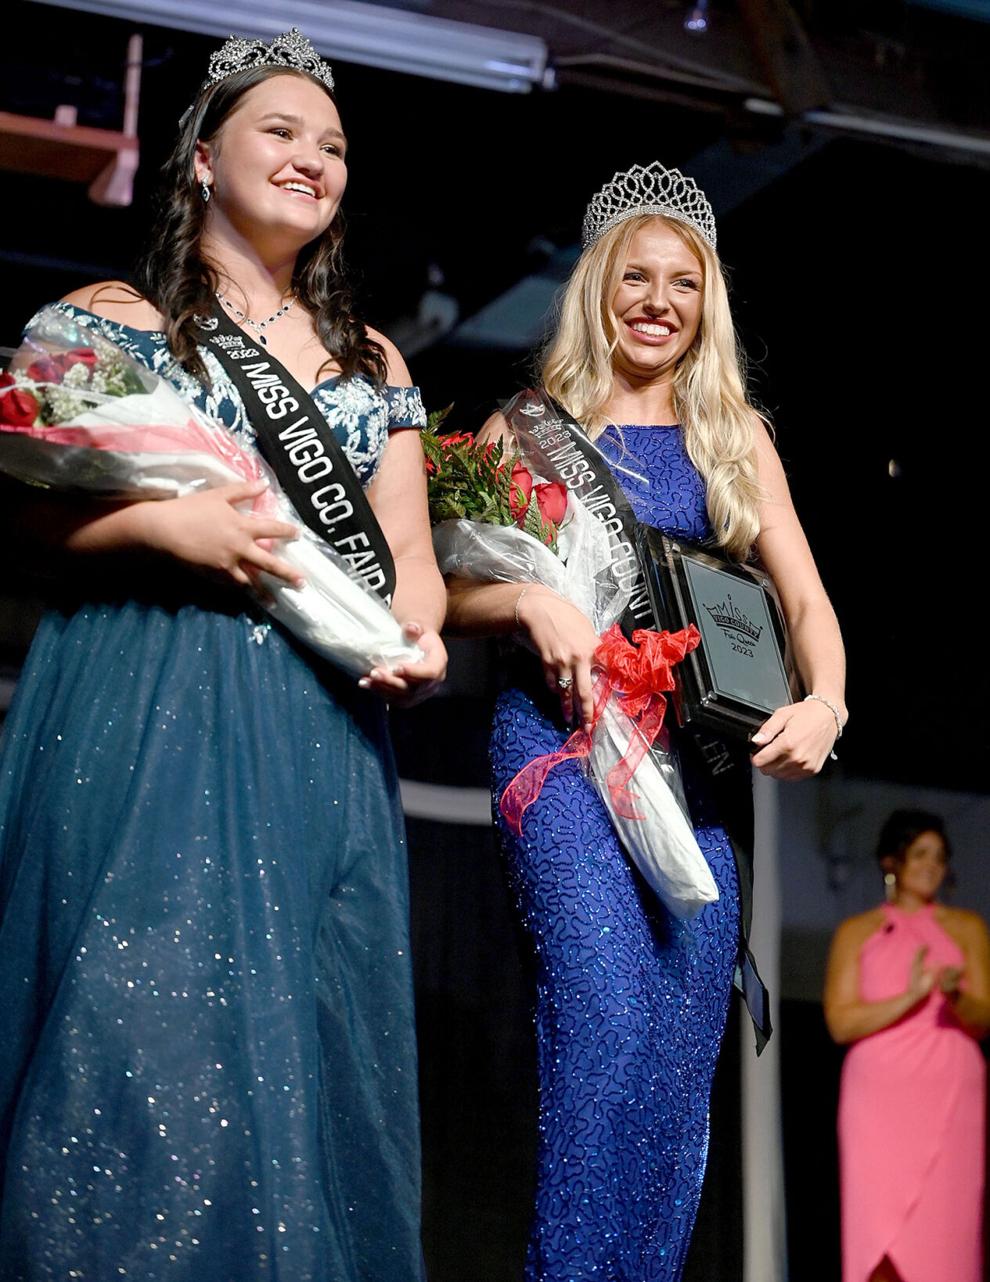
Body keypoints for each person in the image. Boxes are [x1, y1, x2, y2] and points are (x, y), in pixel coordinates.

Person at [0, 30, 445, 1282]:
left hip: (319, 731)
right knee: (143, 1035)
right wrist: (167, 523)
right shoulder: (112, 322)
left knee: (301, 1050)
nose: (314, 158)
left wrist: (420, 635)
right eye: (282, 132)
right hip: (154, 698)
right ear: (202, 159)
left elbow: (408, 552)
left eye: (335, 145)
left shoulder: (375, 366)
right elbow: (31, 503)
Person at [445, 162, 847, 1280]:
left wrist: (825, 700)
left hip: (696, 780)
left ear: (704, 303)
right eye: (637, 277)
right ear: (598, 290)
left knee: (675, 1078)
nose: (658, 301)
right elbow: (432, 592)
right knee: (607, 1025)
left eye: (683, 283)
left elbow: (809, 606)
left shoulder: (734, 438)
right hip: (566, 756)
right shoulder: (527, 429)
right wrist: (528, 598)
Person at [825, 809, 990, 1282]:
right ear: (892, 861)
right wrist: (913, 996)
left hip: (950, 1091)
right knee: (877, 1234)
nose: (931, 866)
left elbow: (983, 1018)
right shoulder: (856, 932)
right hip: (880, 1100)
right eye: (920, 854)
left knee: (945, 1234)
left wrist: (955, 996)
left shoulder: (966, 928)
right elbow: (841, 1022)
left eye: (939, 857)